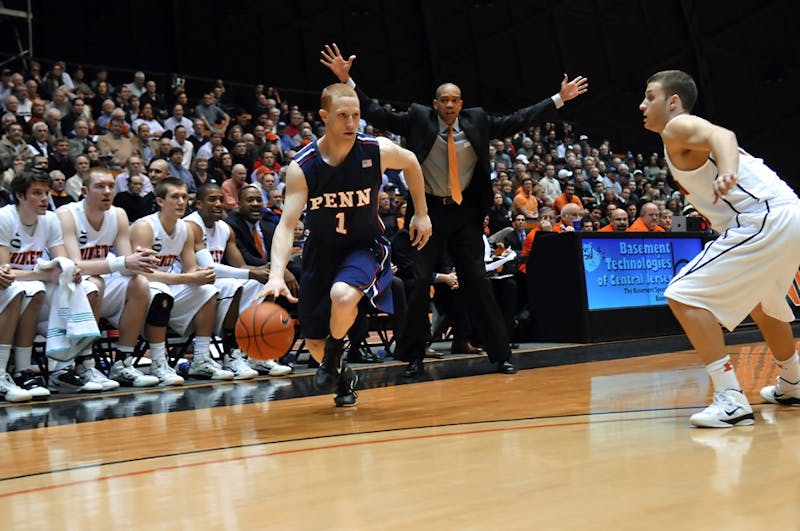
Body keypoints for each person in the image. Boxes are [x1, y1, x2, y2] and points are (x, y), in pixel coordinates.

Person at [321, 43, 587, 376]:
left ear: (461, 104)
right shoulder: (419, 118)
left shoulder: (477, 122)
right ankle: (414, 356)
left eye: (454, 100)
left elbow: (518, 120)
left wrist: (558, 99)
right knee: (418, 284)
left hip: (464, 213)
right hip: (427, 211)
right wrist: (348, 81)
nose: (449, 104)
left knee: (477, 281)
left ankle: (500, 354)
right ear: (435, 104)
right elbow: (377, 111)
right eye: (443, 100)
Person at [640, 69, 800, 428]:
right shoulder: (680, 136)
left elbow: (722, 135)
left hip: (763, 217)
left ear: (673, 101)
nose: (642, 105)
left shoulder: (676, 126)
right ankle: (793, 382)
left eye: (650, 97)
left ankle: (730, 399)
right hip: (789, 213)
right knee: (764, 305)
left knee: (683, 295)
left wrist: (727, 170)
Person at [258, 82, 432, 408]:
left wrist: (421, 213)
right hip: (321, 253)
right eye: (342, 116)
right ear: (324, 116)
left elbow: (411, 161)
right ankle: (342, 373)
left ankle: (338, 349)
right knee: (313, 344)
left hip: (365, 246)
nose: (351, 123)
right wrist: (277, 275)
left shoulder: (373, 149)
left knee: (342, 296)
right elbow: (285, 226)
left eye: (356, 115)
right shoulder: (304, 166)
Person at [56, 168, 161, 388]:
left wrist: (142, 260)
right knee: (94, 282)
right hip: (66, 286)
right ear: (84, 191)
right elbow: (75, 266)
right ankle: (85, 364)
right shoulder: (66, 214)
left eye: (111, 186)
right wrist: (124, 262)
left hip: (101, 284)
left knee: (140, 283)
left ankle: (123, 363)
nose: (107, 191)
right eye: (100, 186)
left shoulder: (119, 214)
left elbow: (125, 263)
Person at [130, 177, 233, 382]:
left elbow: (190, 268)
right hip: (139, 288)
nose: (181, 202)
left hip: (168, 283)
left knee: (208, 291)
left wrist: (202, 275)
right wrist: (188, 277)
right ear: (160, 201)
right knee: (161, 292)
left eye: (185, 197)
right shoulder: (145, 226)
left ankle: (201, 358)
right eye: (175, 197)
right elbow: (142, 273)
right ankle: (159, 362)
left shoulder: (185, 229)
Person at [184, 183, 293, 377]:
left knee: (264, 284)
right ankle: (232, 355)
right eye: (212, 200)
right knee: (236, 285)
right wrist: (251, 273)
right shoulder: (191, 225)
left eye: (221, 199)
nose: (218, 204)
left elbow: (240, 267)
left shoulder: (225, 229)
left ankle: (256, 353)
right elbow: (209, 269)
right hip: (191, 283)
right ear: (198, 204)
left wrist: (264, 271)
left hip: (215, 284)